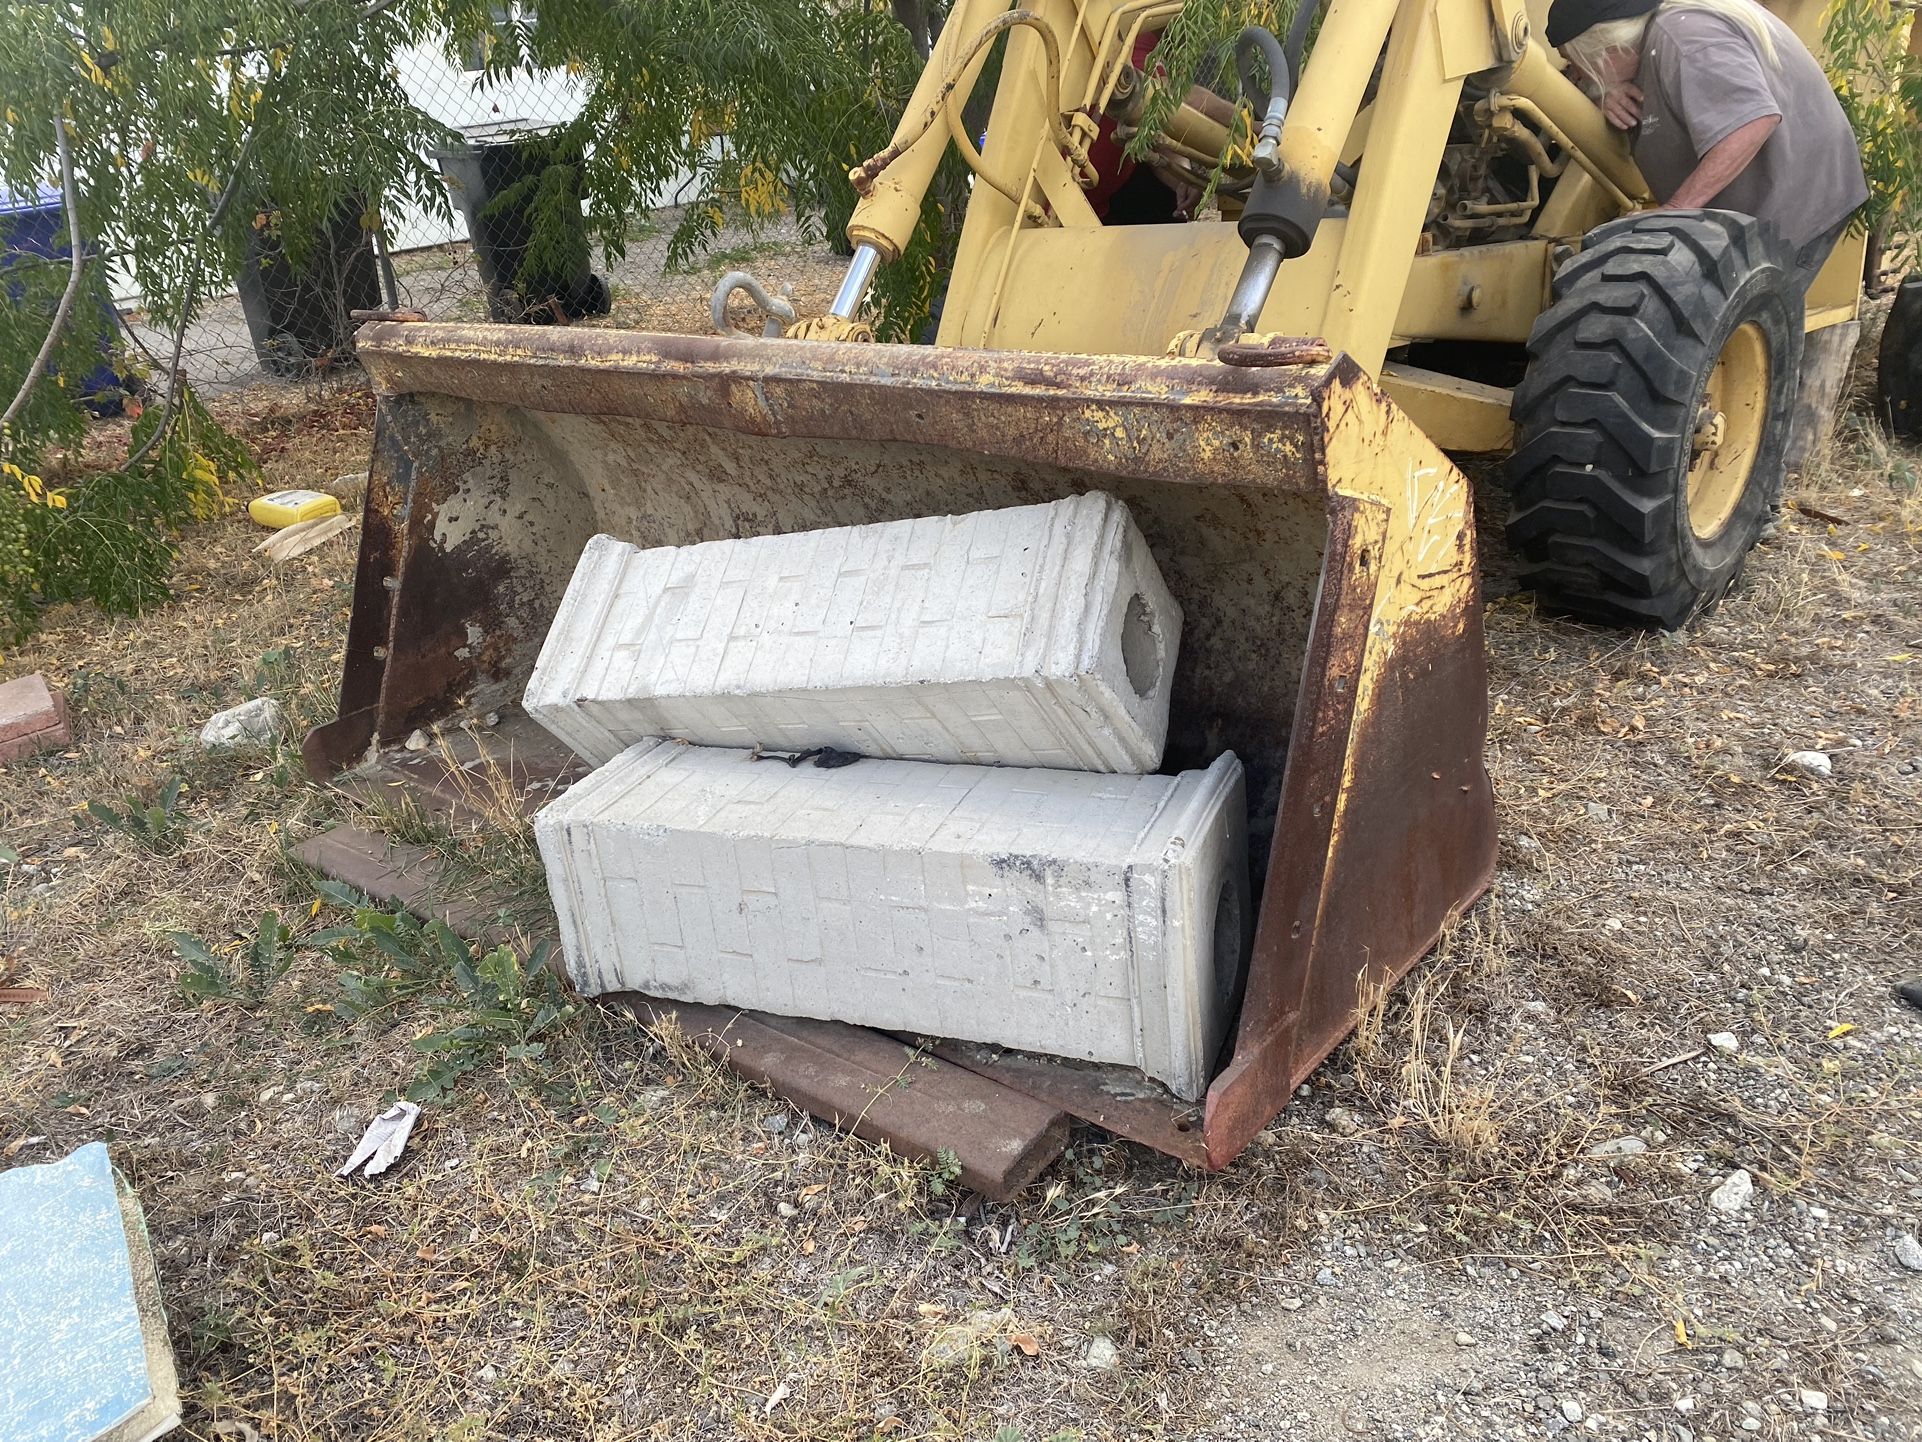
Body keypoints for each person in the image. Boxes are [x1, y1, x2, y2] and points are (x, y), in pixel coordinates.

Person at [1546, 0, 1868, 293]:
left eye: (1576, 63)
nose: (1576, 74)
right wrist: (1602, 90)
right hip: (1752, 211)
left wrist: (1676, 210)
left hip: (1798, 203)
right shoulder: (1647, 41)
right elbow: (1602, 78)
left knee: (1748, 320)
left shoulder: (1684, 37)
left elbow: (1752, 123)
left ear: (1609, 46)